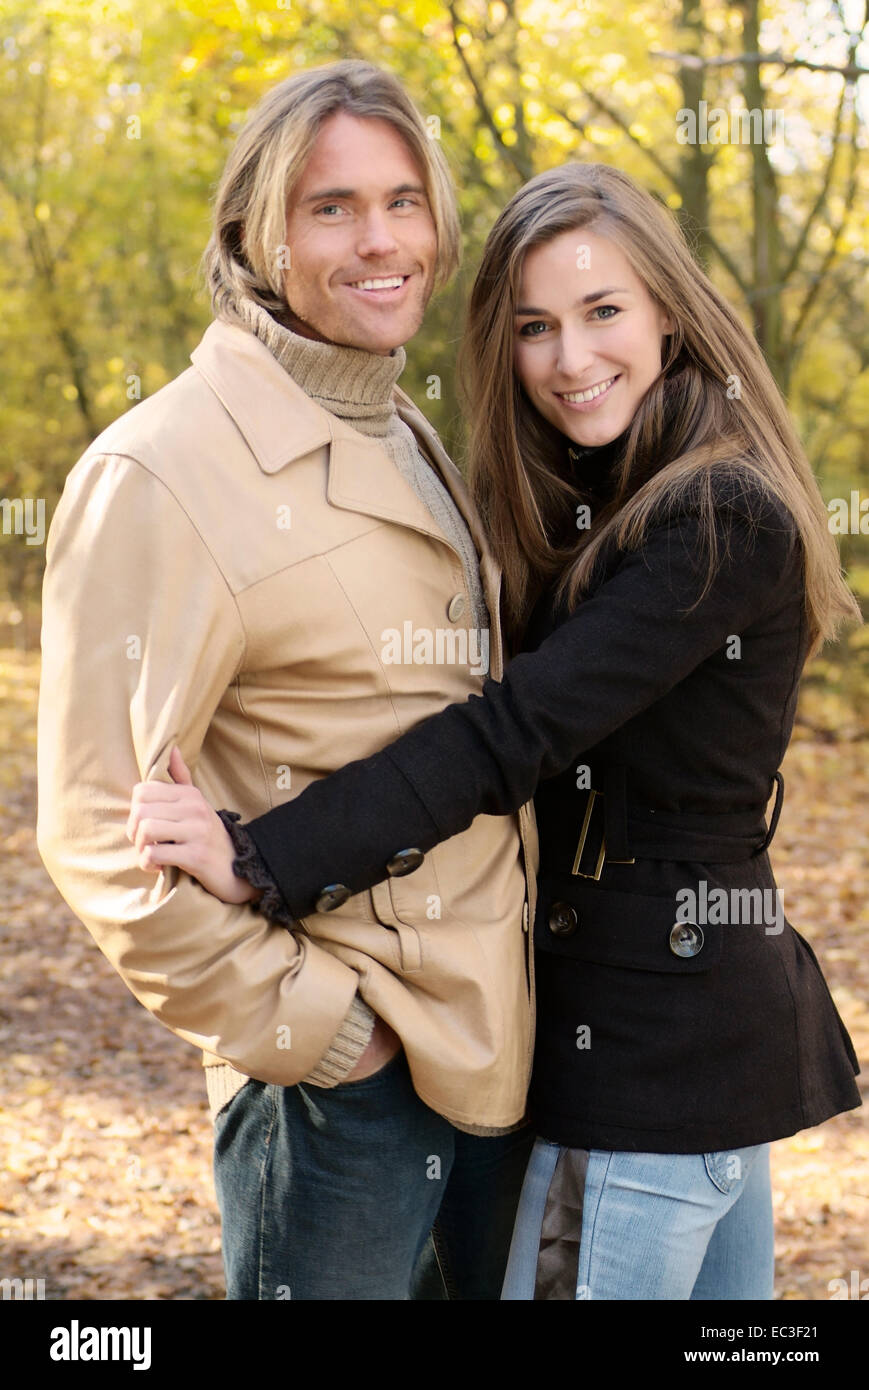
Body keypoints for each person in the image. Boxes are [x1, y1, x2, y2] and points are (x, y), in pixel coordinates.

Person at [128, 161, 862, 1301]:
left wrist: (264, 854)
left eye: (602, 311)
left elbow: (506, 733)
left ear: (668, 311)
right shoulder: (607, 493)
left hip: (649, 1062)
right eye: (534, 327)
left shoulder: (715, 515)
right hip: (688, 1054)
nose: (571, 360)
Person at [36, 60, 539, 1302]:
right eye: (332, 208)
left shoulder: (401, 422)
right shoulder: (161, 470)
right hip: (342, 1100)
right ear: (255, 234)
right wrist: (324, 1037)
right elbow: (100, 829)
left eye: (404, 201)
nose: (382, 242)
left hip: (486, 1057)